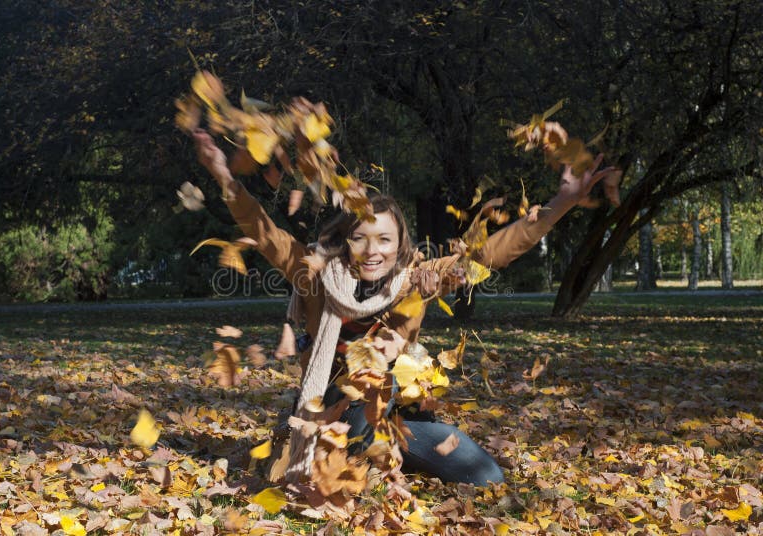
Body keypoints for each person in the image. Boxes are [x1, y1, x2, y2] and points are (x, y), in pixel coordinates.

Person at [193, 129, 615, 486]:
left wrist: (562, 203)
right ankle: (333, 450)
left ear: (400, 245)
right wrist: (222, 173)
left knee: (486, 476)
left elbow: (489, 255)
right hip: (330, 407)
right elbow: (262, 229)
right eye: (360, 238)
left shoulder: (417, 277)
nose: (372, 251)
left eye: (384, 240)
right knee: (354, 424)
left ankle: (384, 448)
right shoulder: (315, 273)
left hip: (396, 411)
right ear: (345, 240)